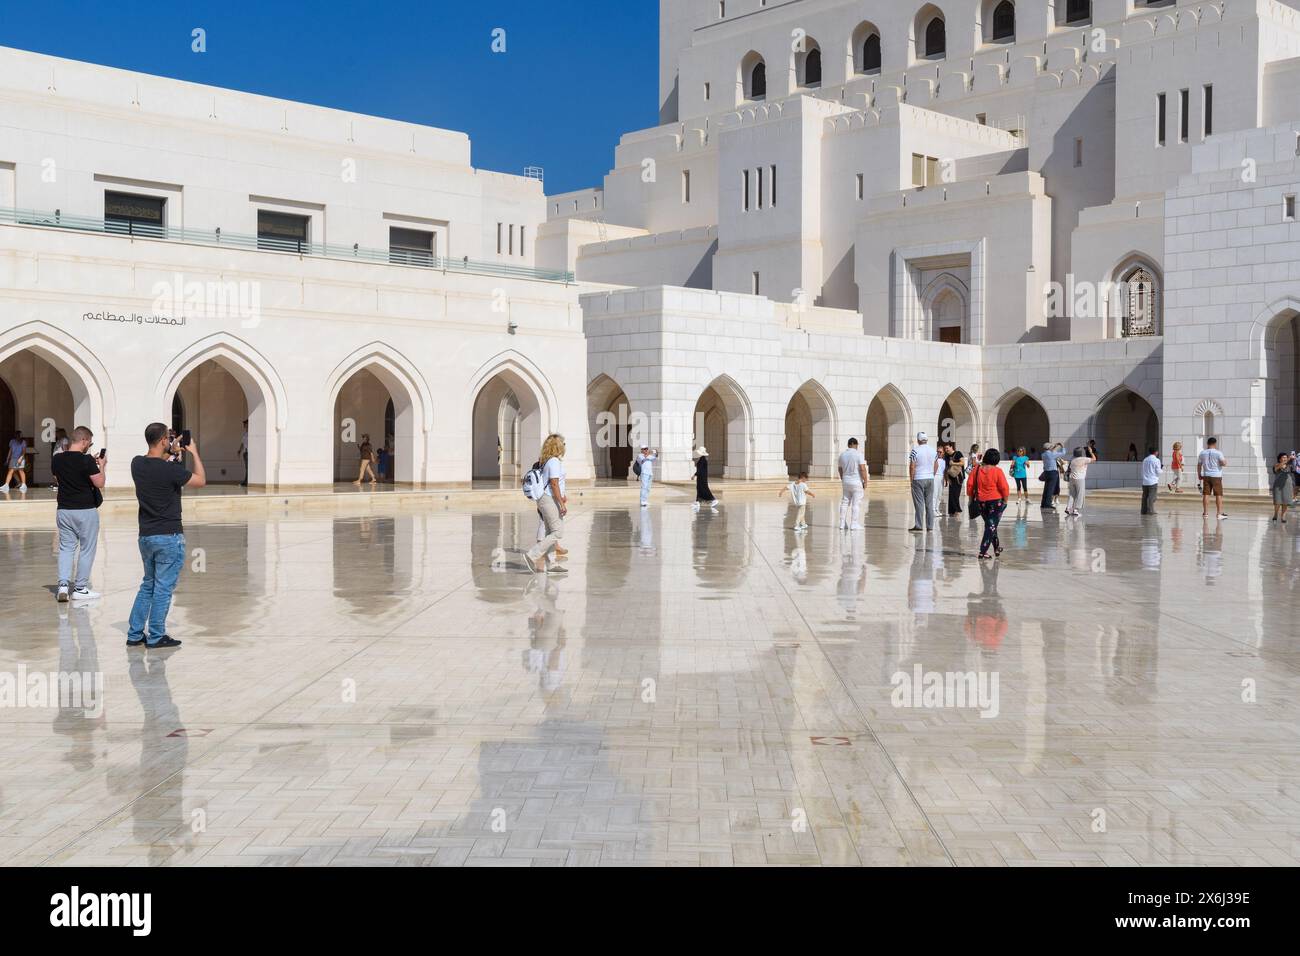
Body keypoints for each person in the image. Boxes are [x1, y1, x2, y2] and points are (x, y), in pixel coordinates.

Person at [128, 423, 207, 648]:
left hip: (146, 535)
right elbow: (200, 480)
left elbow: (154, 464)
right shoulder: (171, 470)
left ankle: (134, 633)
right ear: (163, 440)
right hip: (168, 535)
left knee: (148, 584)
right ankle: (156, 635)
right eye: (168, 438)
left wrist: (170, 452)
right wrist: (194, 452)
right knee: (163, 587)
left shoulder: (137, 464)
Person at [52, 426, 106, 602]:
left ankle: (63, 586)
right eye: (89, 442)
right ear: (84, 440)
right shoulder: (86, 460)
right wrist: (102, 466)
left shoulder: (57, 459)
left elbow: (58, 479)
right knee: (86, 549)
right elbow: (99, 483)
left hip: (64, 510)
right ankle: (81, 588)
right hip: (85, 510)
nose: (89, 445)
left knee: (66, 548)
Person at [525, 433, 568, 574]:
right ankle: (532, 554)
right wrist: (561, 503)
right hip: (549, 499)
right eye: (563, 443)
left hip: (546, 498)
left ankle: (552, 564)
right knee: (558, 532)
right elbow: (554, 484)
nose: (565, 446)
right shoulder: (554, 461)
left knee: (550, 531)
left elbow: (555, 483)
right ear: (557, 446)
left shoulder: (548, 461)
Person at [966, 447, 1009, 559]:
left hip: (981, 503)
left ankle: (996, 548)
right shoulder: (997, 471)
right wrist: (1005, 501)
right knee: (991, 526)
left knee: (991, 525)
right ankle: (983, 551)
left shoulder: (976, 469)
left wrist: (971, 500)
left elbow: (970, 485)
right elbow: (1004, 487)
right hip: (996, 503)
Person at [908, 431, 941, 533]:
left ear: (918, 440)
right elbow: (936, 465)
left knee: (919, 503)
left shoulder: (915, 451)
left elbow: (912, 466)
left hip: (918, 478)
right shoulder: (933, 451)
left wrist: (911, 479)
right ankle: (930, 526)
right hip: (930, 478)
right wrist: (932, 475)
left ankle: (919, 525)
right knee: (929, 503)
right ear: (926, 440)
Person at [837, 437, 868, 530]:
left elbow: (840, 469)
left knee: (845, 502)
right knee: (856, 503)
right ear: (855, 444)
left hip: (846, 481)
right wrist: (865, 481)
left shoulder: (842, 455)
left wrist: (843, 478)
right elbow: (862, 468)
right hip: (856, 481)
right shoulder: (858, 454)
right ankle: (854, 524)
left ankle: (842, 523)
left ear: (848, 444)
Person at [1198, 437, 1228, 519]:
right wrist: (1223, 463)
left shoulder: (1202, 453)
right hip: (1216, 476)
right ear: (1215, 444)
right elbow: (1223, 463)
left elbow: (1199, 465)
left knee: (1206, 494)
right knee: (1218, 494)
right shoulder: (1218, 453)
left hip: (1206, 475)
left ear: (1207, 443)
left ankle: (1205, 513)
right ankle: (1219, 513)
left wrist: (1199, 475)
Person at [1065, 446, 1092, 517]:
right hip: (1080, 479)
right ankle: (1075, 510)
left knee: (1072, 494)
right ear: (1081, 453)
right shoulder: (1084, 459)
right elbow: (1094, 459)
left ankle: (1068, 508)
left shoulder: (1072, 460)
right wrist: (1091, 451)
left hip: (1071, 478)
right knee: (1080, 494)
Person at [1039, 442, 1066, 510]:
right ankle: (1048, 504)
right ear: (1049, 448)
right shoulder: (1052, 454)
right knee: (1050, 489)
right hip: (1053, 472)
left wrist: (1054, 446)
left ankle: (1043, 503)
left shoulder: (1043, 454)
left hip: (1046, 472)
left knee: (1046, 488)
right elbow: (1063, 453)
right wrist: (1062, 447)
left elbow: (1051, 450)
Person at [692, 446, 717, 512]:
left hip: (702, 477)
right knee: (699, 488)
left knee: (704, 488)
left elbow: (700, 469)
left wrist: (694, 475)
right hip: (701, 477)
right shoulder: (702, 459)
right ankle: (697, 502)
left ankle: (713, 499)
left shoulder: (702, 460)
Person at [1271, 452, 1293, 524]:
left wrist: (1293, 460)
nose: (1285, 458)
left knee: (1285, 502)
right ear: (1280, 459)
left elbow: (1294, 469)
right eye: (1283, 457)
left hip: (1287, 486)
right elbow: (1278, 468)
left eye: (1286, 457)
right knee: (1277, 501)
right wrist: (1288, 460)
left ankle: (1283, 516)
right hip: (1278, 486)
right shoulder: (1277, 465)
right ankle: (1275, 514)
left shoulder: (1289, 465)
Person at [1140, 447, 1162, 515]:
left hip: (1145, 481)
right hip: (1153, 481)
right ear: (1156, 452)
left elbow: (1142, 470)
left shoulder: (1145, 460)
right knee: (1152, 497)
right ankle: (1150, 510)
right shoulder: (1156, 460)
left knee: (1145, 497)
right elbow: (1158, 471)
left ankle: (1143, 511)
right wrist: (1162, 469)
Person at [945, 445, 966, 515]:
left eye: (947, 448)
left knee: (956, 494)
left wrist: (953, 463)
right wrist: (947, 478)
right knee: (951, 494)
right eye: (945, 448)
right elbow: (947, 468)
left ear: (951, 447)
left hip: (958, 477)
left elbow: (963, 463)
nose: (946, 450)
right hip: (951, 476)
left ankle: (957, 510)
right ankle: (952, 511)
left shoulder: (958, 453)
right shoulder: (947, 456)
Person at [238, 419, 249, 487]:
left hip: (249, 453)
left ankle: (246, 481)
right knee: (246, 468)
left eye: (245, 424)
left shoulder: (252, 433)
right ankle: (246, 481)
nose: (244, 425)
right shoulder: (245, 433)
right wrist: (239, 450)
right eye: (244, 424)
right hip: (245, 452)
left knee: (248, 468)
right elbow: (242, 443)